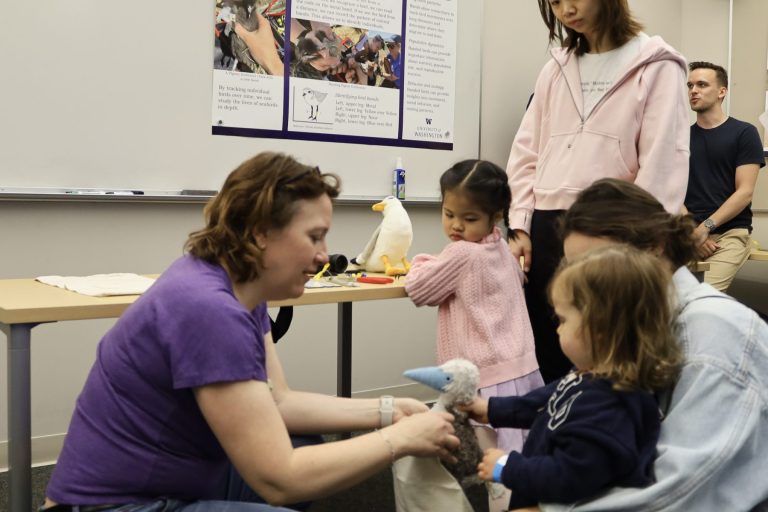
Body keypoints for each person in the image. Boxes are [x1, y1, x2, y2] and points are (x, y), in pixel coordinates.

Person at [42, 152, 460, 511]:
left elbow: (278, 402)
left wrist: (390, 411)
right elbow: (280, 478)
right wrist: (401, 439)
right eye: (314, 236)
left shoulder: (236, 283)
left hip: (165, 481)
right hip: (116, 504)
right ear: (261, 232)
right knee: (294, 465)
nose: (322, 255)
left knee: (305, 443)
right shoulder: (208, 309)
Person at [514, 178, 768, 512]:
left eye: (602, 263)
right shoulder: (624, 320)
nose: (586, 283)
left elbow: (678, 490)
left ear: (657, 246)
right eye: (577, 268)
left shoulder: (715, 335)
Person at [506, 0, 690, 383]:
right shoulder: (555, 67)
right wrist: (520, 225)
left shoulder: (658, 63)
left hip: (612, 230)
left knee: (607, 355)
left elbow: (664, 162)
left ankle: (602, 437)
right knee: (549, 346)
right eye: (554, 3)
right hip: (546, 224)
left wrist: (636, 241)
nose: (565, 10)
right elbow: (526, 151)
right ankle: (549, 436)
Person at [463, 245, 681, 509]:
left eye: (563, 319)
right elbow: (548, 402)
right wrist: (492, 409)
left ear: (598, 328)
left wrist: (508, 467)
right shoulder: (590, 375)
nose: (557, 328)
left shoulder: (612, 408)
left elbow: (572, 475)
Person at [405, 159, 544, 511]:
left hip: (487, 378)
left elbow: (419, 288)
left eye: (469, 219)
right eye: (449, 213)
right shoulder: (502, 249)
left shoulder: (462, 253)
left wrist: (423, 261)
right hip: (522, 370)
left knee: (497, 470)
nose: (455, 226)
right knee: (520, 460)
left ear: (495, 216)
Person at [684, 61, 765, 292]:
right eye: (690, 85)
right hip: (688, 234)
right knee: (658, 299)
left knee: (699, 299)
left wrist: (705, 228)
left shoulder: (744, 133)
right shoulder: (680, 137)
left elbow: (744, 192)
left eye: (701, 85)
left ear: (722, 91)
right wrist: (693, 232)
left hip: (729, 235)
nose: (693, 91)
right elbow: (672, 190)